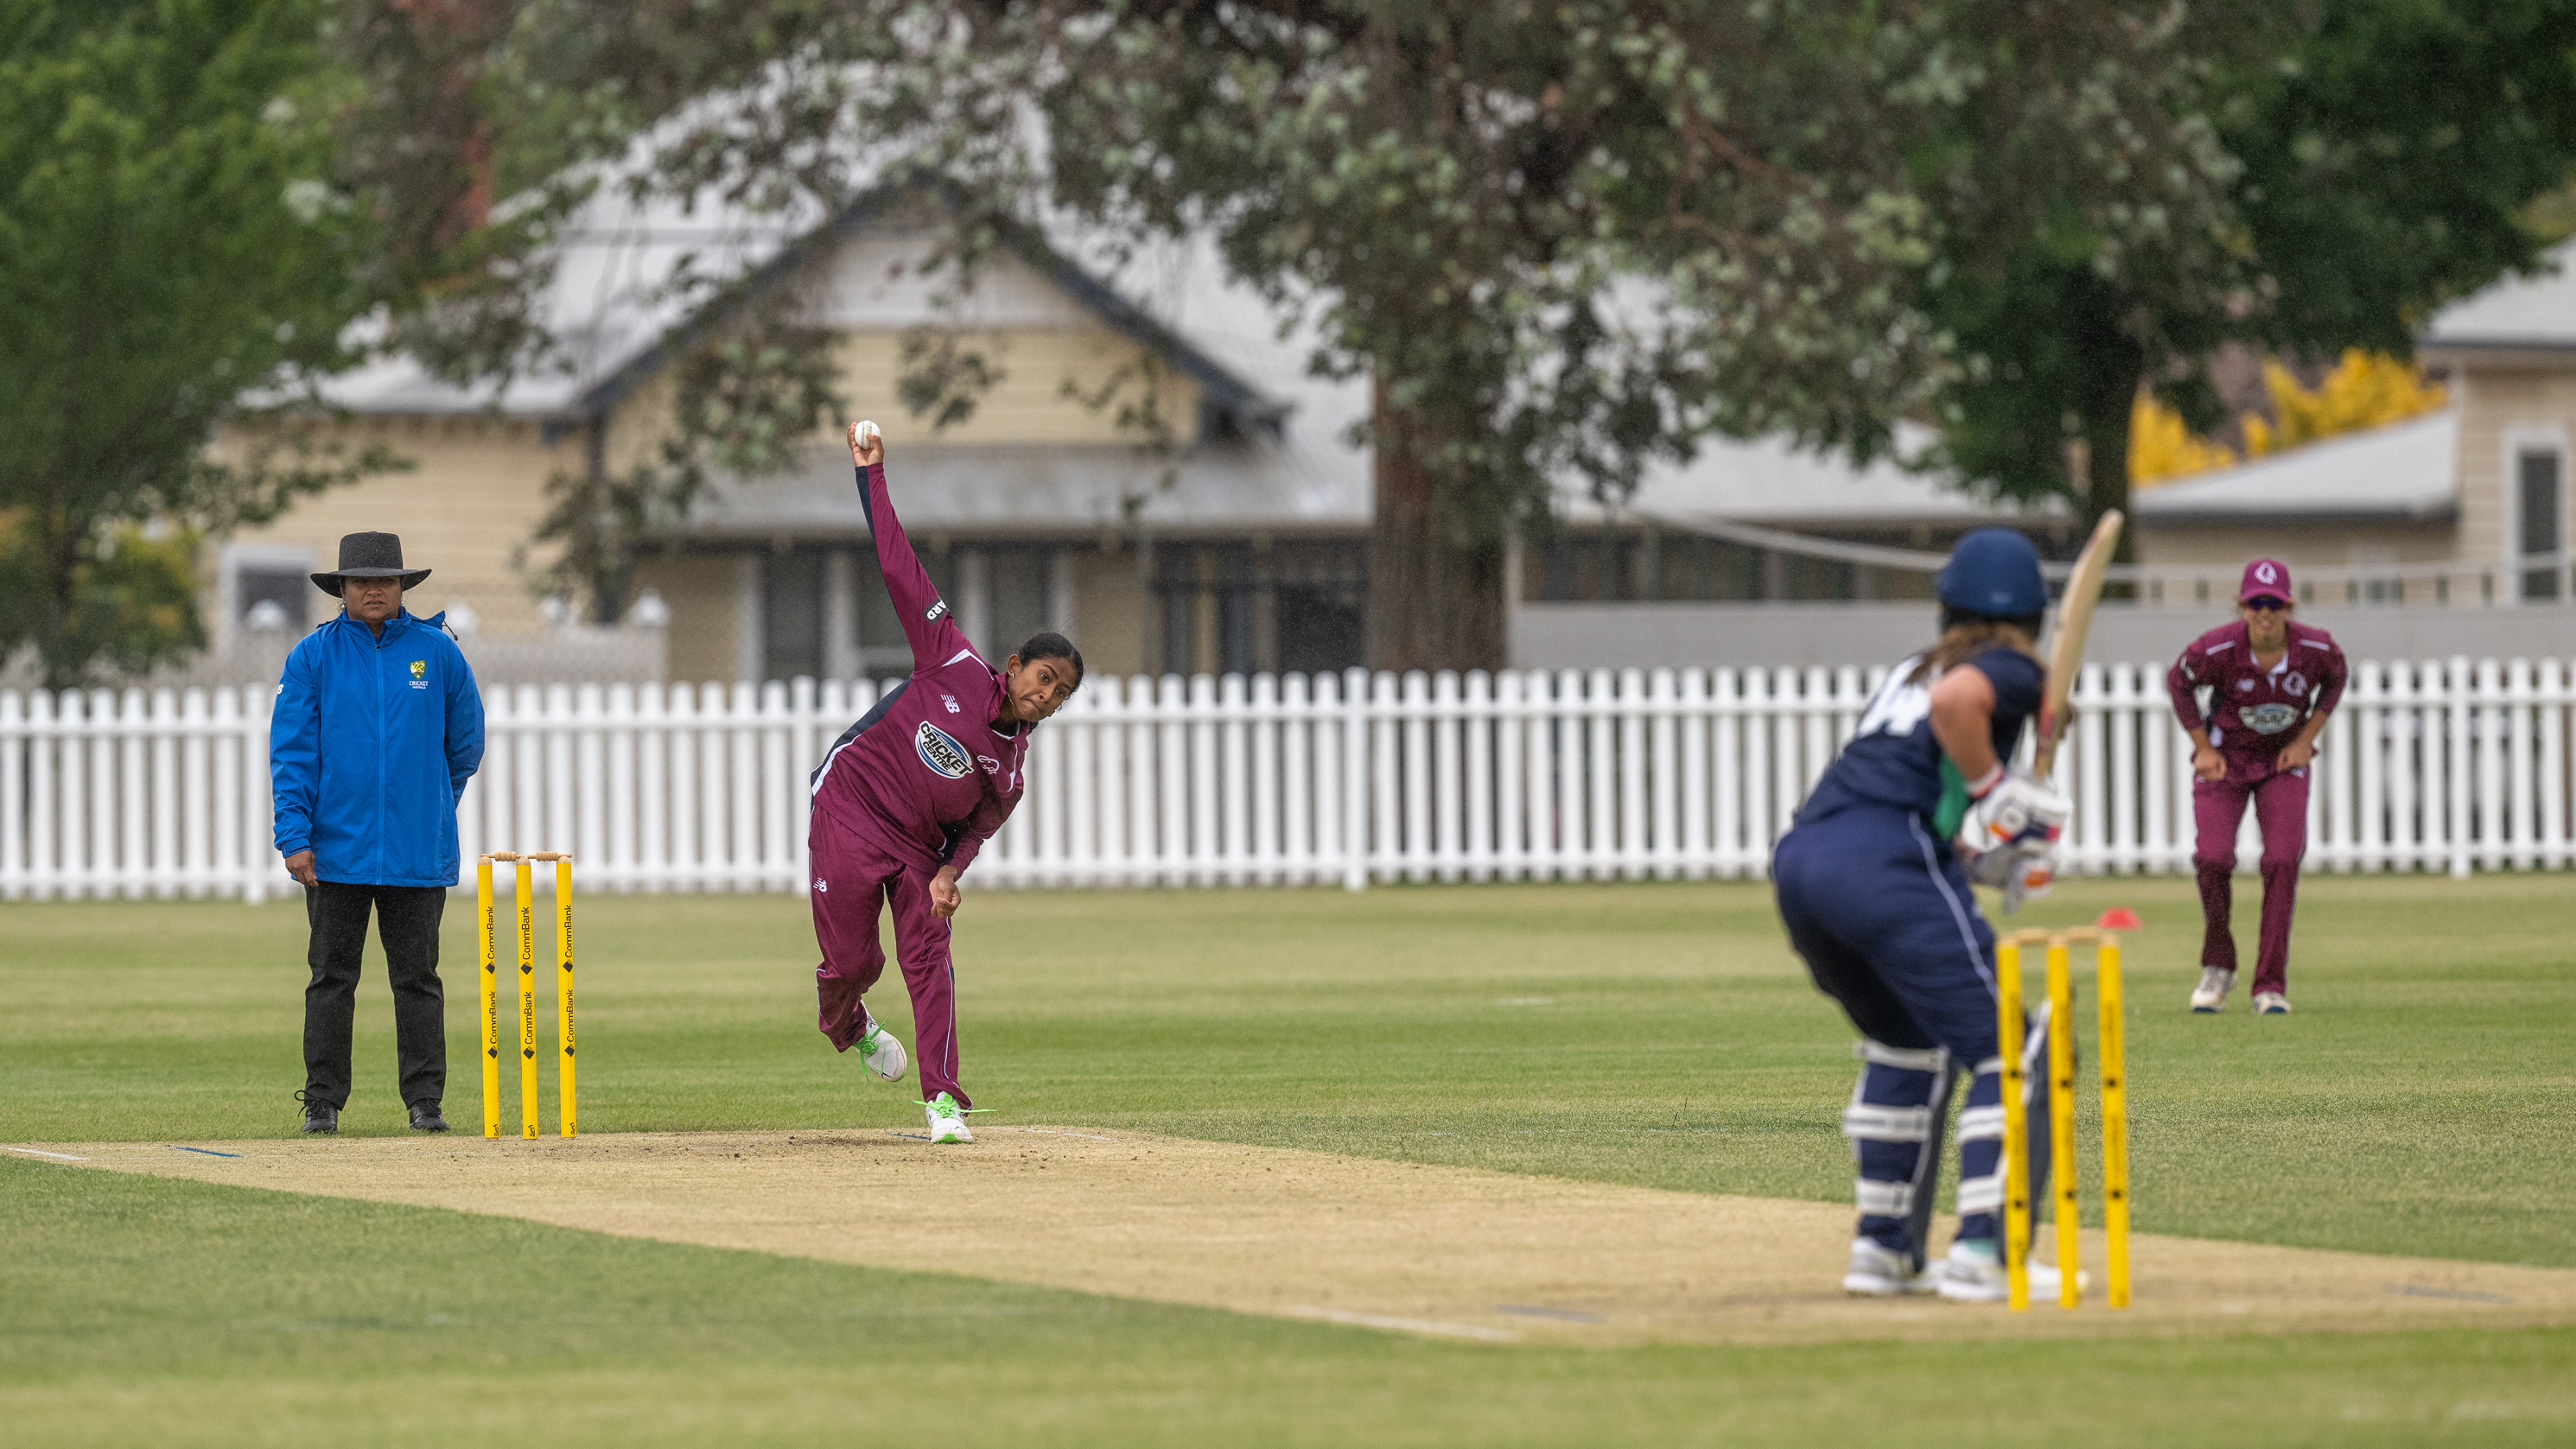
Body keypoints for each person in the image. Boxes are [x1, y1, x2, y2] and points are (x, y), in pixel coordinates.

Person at [1771, 529, 2073, 1302]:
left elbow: (1904, 777)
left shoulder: (1912, 668)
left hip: (1806, 859)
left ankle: (1883, 1250)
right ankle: (1985, 1251)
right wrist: (1995, 789)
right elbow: (1956, 706)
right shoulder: (2001, 665)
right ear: (2031, 614)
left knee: (1907, 1041)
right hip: (1884, 858)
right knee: (2013, 1045)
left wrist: (1981, 854)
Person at [808, 421, 1083, 1145]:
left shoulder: (1011, 770)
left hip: (918, 849)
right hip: (850, 804)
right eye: (1043, 678)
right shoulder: (950, 660)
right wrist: (870, 473)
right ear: (1015, 664)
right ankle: (848, 1024)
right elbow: (897, 565)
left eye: (1060, 694)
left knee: (929, 957)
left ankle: (943, 1101)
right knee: (853, 962)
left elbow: (977, 828)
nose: (1046, 696)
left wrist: (948, 873)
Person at [271, 532, 485, 1134]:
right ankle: (322, 1102)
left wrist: (431, 804)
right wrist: (294, 836)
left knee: (417, 980)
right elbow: (292, 753)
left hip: (416, 852)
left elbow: (466, 742)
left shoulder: (437, 652)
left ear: (402, 586)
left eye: (384, 580)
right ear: (341, 587)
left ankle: (425, 1101)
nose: (373, 590)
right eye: (361, 580)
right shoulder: (313, 656)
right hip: (334, 851)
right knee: (331, 979)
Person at [2165, 558, 2347, 1016]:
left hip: (2283, 762)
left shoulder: (2316, 648)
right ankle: (2218, 966)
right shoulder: (2217, 648)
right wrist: (2203, 748)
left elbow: (2336, 678)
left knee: (2282, 860)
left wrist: (2306, 740)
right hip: (2226, 761)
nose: (2265, 613)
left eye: (2274, 604)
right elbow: (2178, 681)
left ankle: (2269, 985)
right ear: (2242, 606)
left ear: (2289, 606)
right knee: (2213, 857)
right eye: (2255, 604)